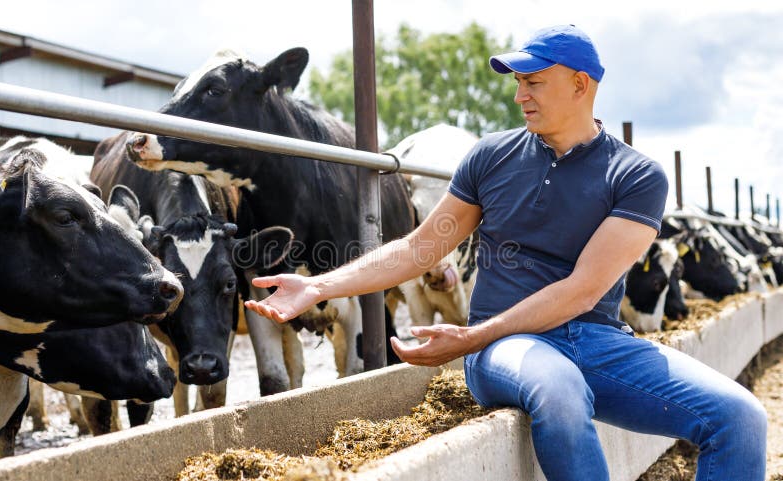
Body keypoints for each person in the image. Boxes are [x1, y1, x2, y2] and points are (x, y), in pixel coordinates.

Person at [245, 24, 767, 481]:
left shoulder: (635, 176)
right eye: (518, 82)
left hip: (597, 341)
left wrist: (469, 335)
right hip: (509, 346)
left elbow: (583, 290)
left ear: (580, 85)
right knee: (559, 389)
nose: (520, 95)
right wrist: (319, 285)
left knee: (741, 418)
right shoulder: (491, 157)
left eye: (534, 81)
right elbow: (418, 248)